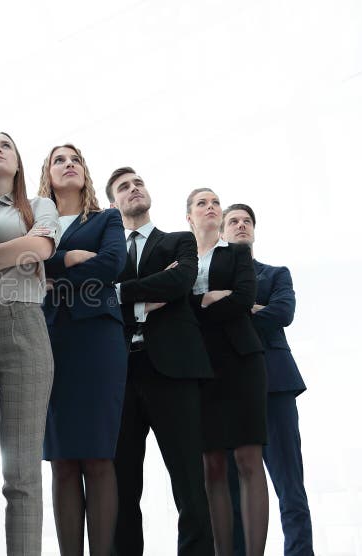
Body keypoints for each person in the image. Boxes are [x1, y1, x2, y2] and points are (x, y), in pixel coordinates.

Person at [106, 168, 214, 556]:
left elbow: (179, 283)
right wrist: (139, 297)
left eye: (138, 183)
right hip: (119, 374)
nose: (134, 189)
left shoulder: (179, 241)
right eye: (124, 187)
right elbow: (96, 297)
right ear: (113, 203)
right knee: (121, 487)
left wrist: (118, 292)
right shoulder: (111, 253)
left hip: (174, 372)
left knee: (189, 483)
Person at [0, 131, 59, 556]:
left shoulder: (39, 206)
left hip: (22, 326)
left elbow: (39, 248)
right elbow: (20, 253)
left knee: (21, 472)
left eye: (5, 144)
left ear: (19, 161)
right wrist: (14, 254)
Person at [37, 145, 127, 556]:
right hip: (48, 338)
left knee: (98, 456)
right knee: (62, 459)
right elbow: (22, 263)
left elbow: (112, 265)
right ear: (47, 173)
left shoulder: (107, 218)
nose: (69, 164)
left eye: (75, 159)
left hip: (97, 341)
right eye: (59, 159)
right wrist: (68, 257)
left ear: (85, 173)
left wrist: (53, 268)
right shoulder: (34, 220)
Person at [222, 204, 314, 556]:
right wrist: (254, 309)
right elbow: (206, 318)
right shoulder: (210, 279)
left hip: (275, 386)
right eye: (234, 221)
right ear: (223, 231)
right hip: (228, 391)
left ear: (254, 231)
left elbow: (283, 313)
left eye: (247, 221)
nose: (241, 225)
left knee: (290, 487)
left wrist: (233, 307)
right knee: (232, 491)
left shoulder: (276, 274)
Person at [186, 189, 269, 555]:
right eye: (202, 203)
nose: (210, 207)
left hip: (241, 360)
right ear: (189, 217)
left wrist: (199, 306)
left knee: (248, 458)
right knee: (213, 465)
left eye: (215, 202)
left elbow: (242, 298)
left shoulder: (236, 253)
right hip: (199, 366)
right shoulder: (180, 259)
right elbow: (175, 306)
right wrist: (205, 298)